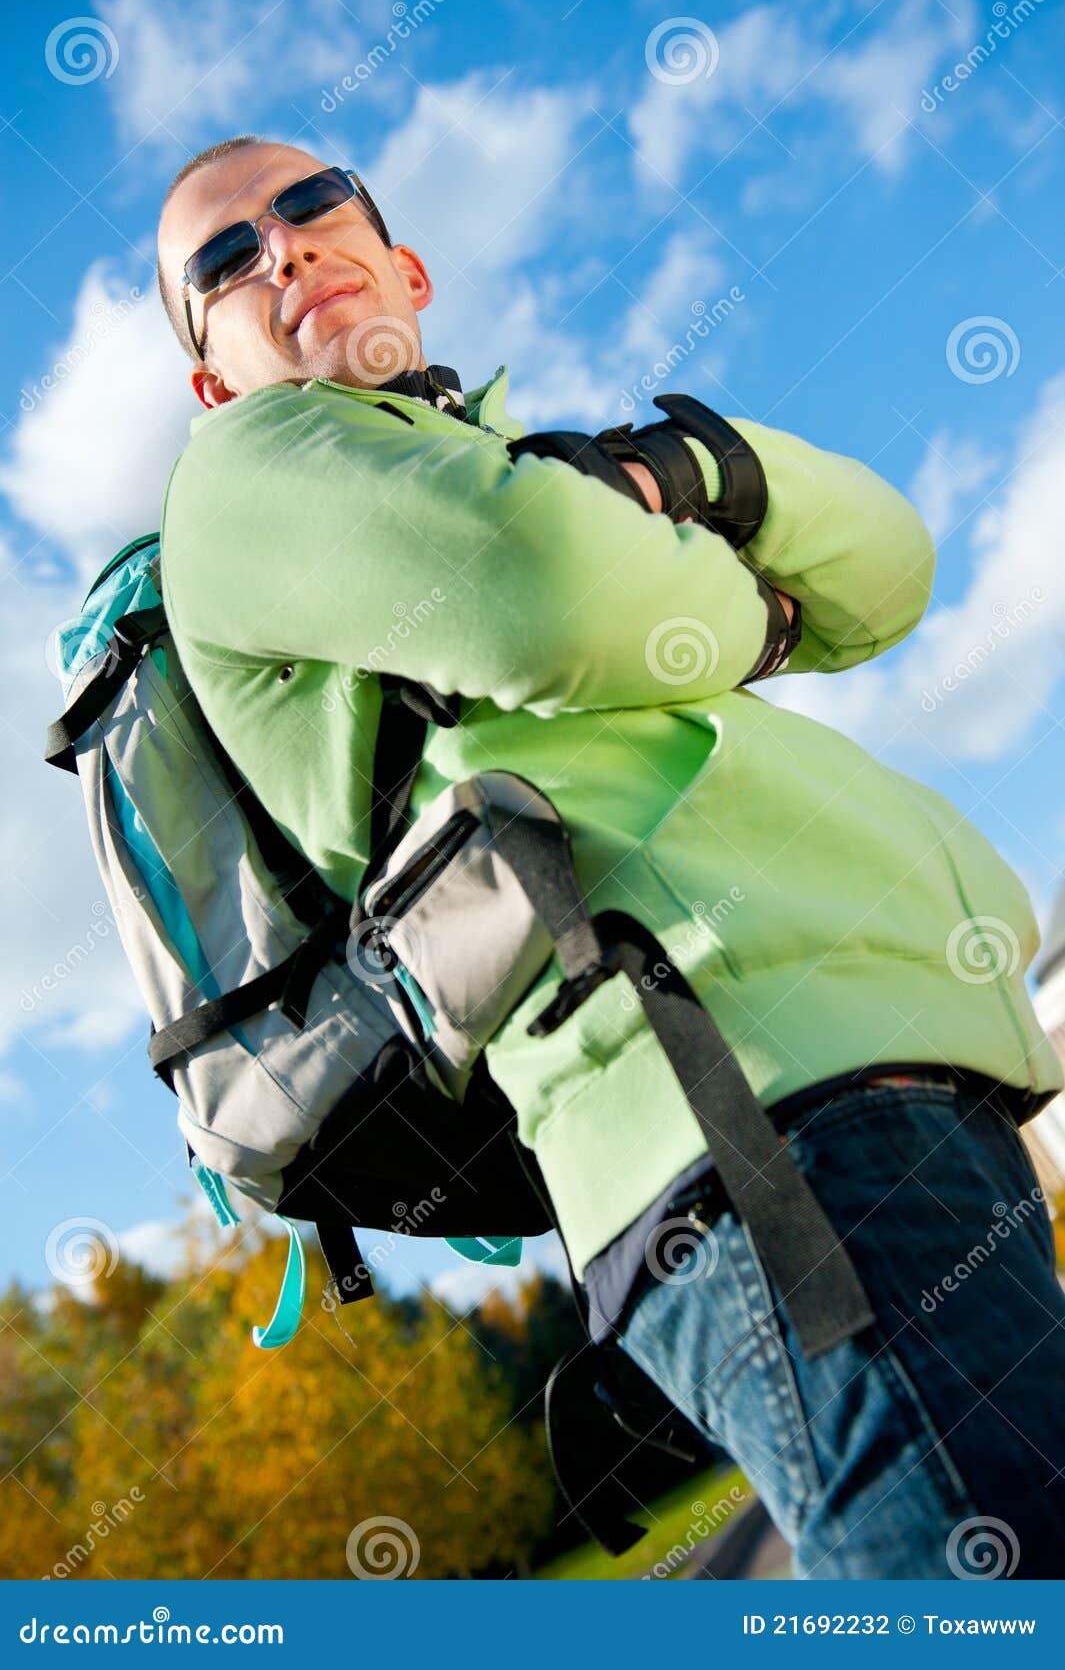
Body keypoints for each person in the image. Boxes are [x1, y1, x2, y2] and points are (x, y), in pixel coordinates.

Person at [155, 135, 1065, 1578]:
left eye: (313, 204)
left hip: (878, 1075)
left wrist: (678, 466)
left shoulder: (516, 473)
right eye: (223, 259)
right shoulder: (242, 475)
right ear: (212, 379)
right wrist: (743, 601)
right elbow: (550, 589)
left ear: (407, 268)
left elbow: (891, 569)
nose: (283, 247)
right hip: (752, 1107)